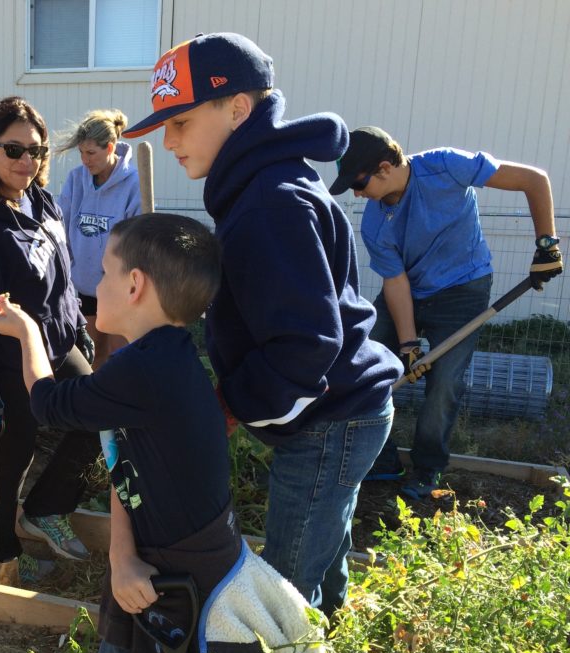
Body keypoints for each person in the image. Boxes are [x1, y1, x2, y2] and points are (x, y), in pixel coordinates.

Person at [122, 33, 402, 616]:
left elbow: (306, 344)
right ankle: (326, 647)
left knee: (286, 583)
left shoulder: (269, 202)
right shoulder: (263, 185)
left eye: (181, 122)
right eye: (164, 127)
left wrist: (234, 404)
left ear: (238, 109)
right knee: (326, 547)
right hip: (342, 406)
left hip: (329, 417)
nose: (169, 142)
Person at [0, 213, 247, 653]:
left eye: (103, 272)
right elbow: (125, 466)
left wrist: (26, 331)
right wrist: (122, 558)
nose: (93, 285)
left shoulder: (146, 373)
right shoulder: (158, 361)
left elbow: (48, 401)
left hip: (186, 582)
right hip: (150, 563)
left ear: (135, 285)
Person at [330, 126, 562, 498]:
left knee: (445, 383)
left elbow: (534, 180)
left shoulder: (447, 166)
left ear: (385, 168)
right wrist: (407, 344)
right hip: (411, 293)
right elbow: (396, 282)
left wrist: (547, 244)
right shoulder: (375, 221)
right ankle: (382, 462)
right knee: (362, 364)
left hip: (463, 291)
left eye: (358, 183)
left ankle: (427, 469)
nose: (357, 194)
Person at [0, 96, 98, 585]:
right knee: (10, 460)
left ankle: (45, 508)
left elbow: (62, 277)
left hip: (56, 345)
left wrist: (79, 331)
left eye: (38, 151)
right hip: (6, 365)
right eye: (15, 150)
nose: (28, 161)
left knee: (97, 416)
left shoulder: (40, 200)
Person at [57, 108, 141, 368]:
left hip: (118, 287)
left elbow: (137, 241)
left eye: (91, 153)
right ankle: (92, 406)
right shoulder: (76, 180)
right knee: (92, 355)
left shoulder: (133, 184)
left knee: (120, 355)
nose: (85, 160)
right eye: (81, 152)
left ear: (110, 147)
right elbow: (61, 226)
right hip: (83, 287)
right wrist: (69, 267)